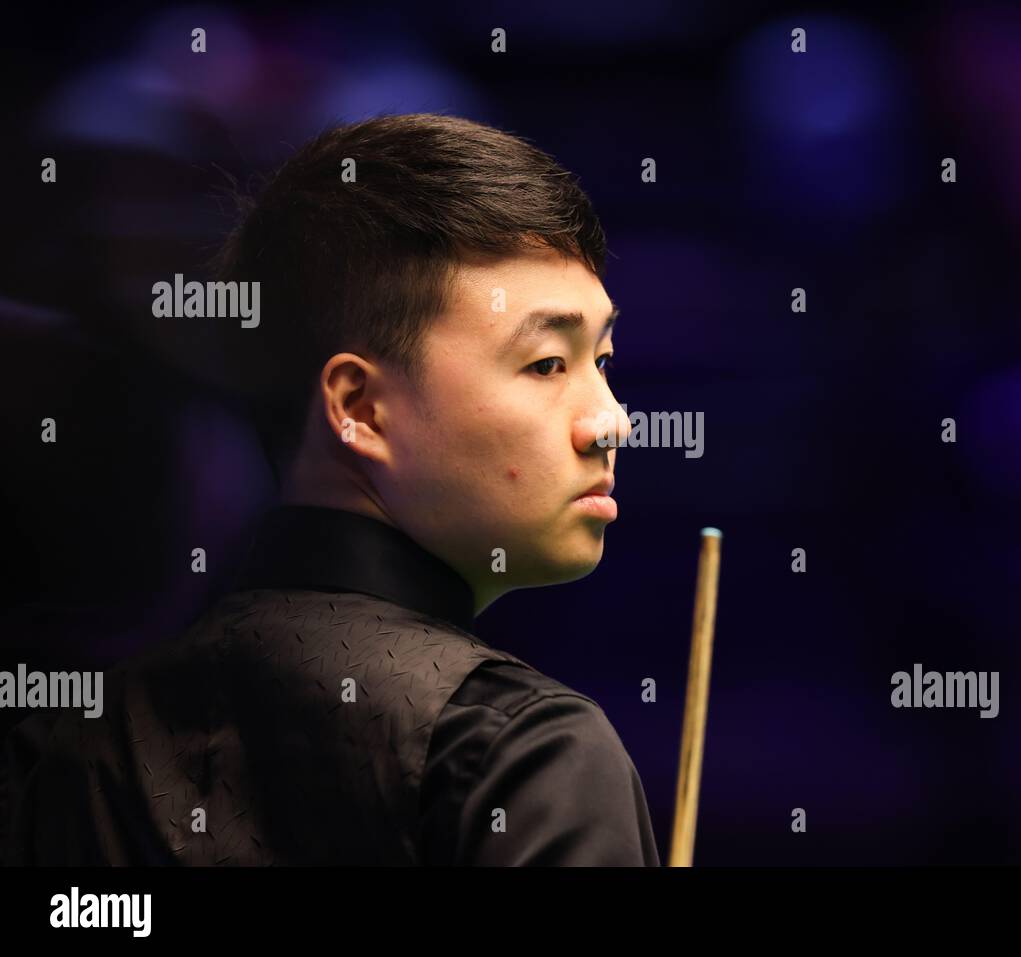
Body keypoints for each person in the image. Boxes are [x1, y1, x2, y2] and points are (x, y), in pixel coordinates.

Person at [0, 113, 658, 866]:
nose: (611, 424)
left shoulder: (68, 744)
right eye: (547, 363)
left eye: (601, 360)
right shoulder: (525, 753)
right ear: (358, 406)